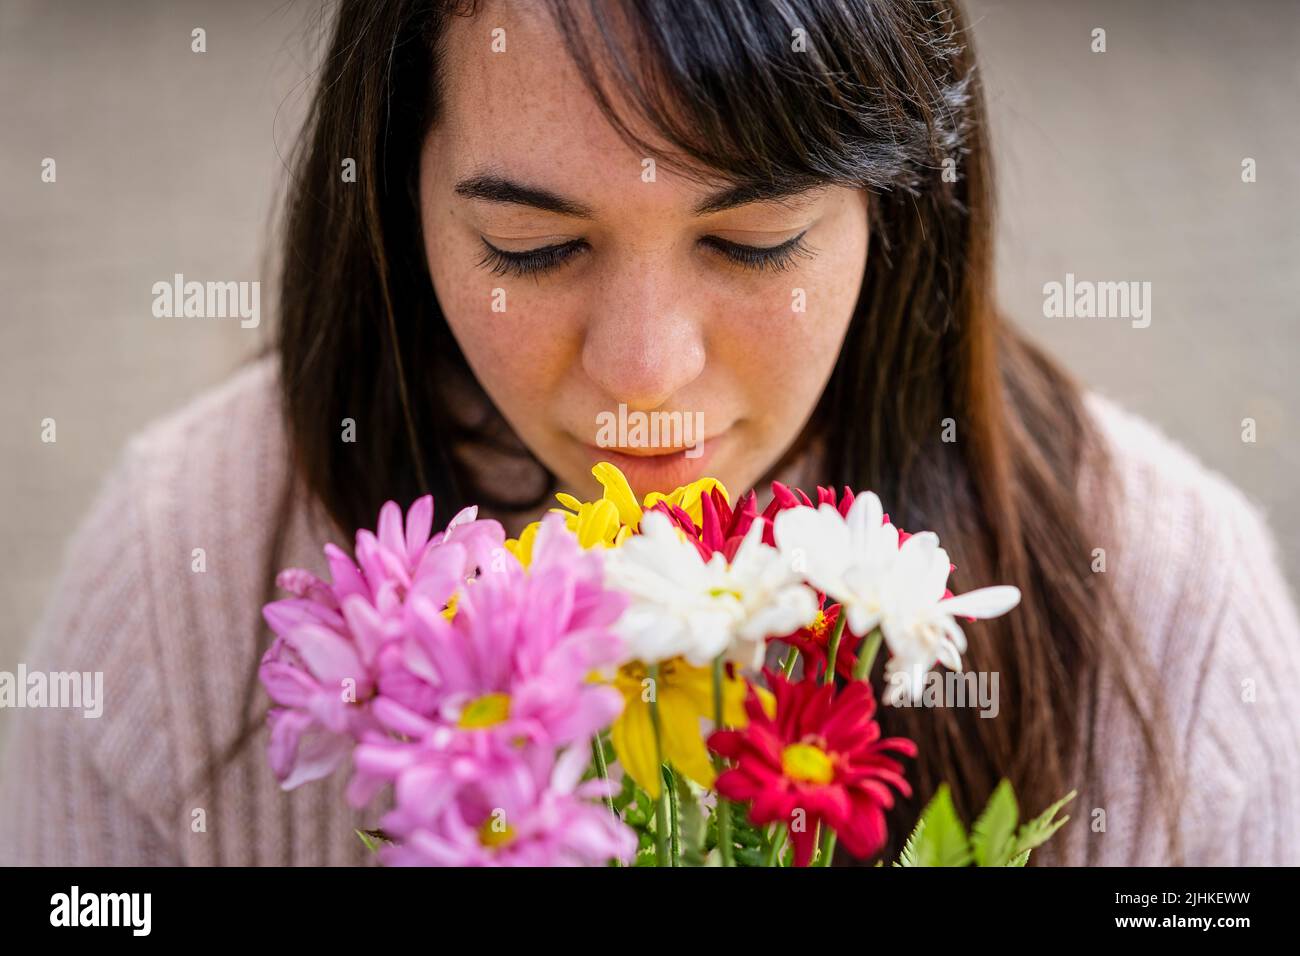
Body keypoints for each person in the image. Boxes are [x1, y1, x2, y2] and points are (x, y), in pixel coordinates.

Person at [2, 0, 1296, 866]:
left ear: (902, 209)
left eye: (753, 242)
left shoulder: (1173, 623)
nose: (643, 370)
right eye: (536, 247)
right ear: (396, 201)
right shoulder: (184, 578)